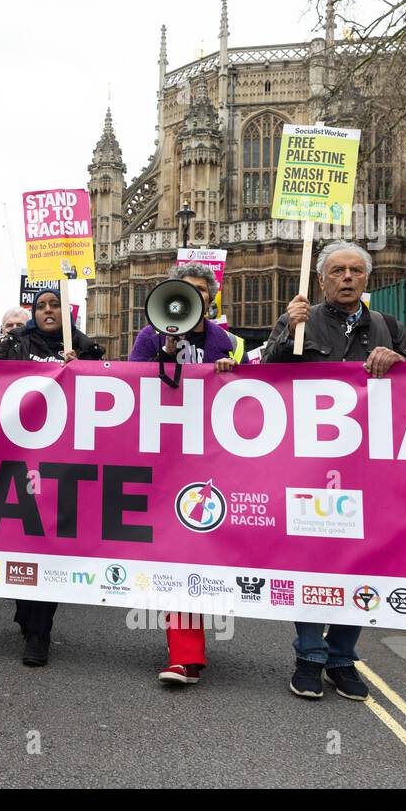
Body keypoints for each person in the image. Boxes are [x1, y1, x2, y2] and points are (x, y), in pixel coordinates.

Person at [261, 241, 406, 701]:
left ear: (367, 279)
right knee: (312, 562)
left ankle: (342, 656)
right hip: (311, 466)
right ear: (322, 279)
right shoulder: (298, 321)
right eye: (336, 271)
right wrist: (290, 331)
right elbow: (265, 377)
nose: (346, 278)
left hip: (371, 469)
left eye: (355, 271)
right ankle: (309, 655)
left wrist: (401, 363)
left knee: (361, 564)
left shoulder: (388, 327)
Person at [0, 287, 103, 666]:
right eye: (40, 306)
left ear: (66, 312)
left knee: (48, 544)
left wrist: (82, 367)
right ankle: (27, 612)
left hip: (61, 464)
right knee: (19, 540)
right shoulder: (15, 342)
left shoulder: (86, 346)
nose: (46, 311)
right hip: (16, 458)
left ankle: (40, 633)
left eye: (54, 305)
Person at [129, 262, 238, 685]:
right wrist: (167, 352)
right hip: (162, 457)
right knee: (176, 551)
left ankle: (185, 651)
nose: (190, 296)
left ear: (210, 297)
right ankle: (185, 653)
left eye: (199, 290)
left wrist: (231, 374)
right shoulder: (150, 336)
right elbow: (133, 387)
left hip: (208, 457)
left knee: (196, 551)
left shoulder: (224, 340)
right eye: (183, 289)